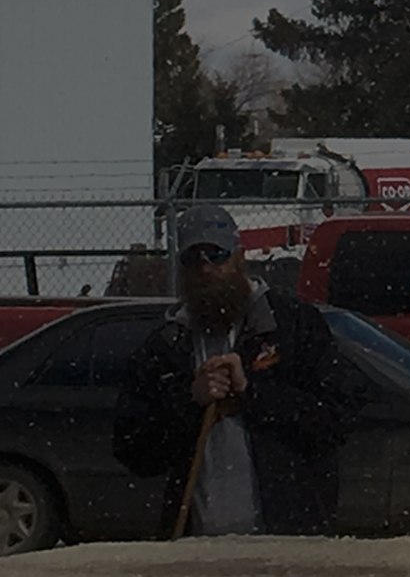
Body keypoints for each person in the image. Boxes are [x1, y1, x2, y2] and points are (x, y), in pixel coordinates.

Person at [114, 204, 358, 537]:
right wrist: (189, 401)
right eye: (193, 258)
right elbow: (134, 452)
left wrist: (252, 393)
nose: (206, 268)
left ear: (239, 256)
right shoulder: (167, 347)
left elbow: (337, 420)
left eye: (217, 255)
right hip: (197, 540)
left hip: (287, 537)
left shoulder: (292, 325)